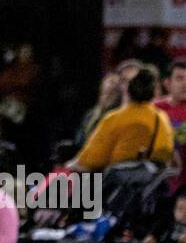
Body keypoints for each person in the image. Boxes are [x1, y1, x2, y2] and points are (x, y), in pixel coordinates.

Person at [68, 68, 174, 173]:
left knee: (61, 181)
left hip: (112, 185)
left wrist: (68, 166)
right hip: (149, 186)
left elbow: (90, 162)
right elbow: (165, 156)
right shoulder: (162, 117)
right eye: (124, 80)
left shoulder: (114, 118)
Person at [155, 59, 186, 196]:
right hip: (157, 186)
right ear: (167, 83)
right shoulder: (153, 109)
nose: (185, 83)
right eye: (179, 78)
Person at [75, 72, 122, 145]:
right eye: (105, 93)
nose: (106, 97)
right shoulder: (90, 116)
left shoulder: (119, 116)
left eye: (112, 93)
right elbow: (79, 141)